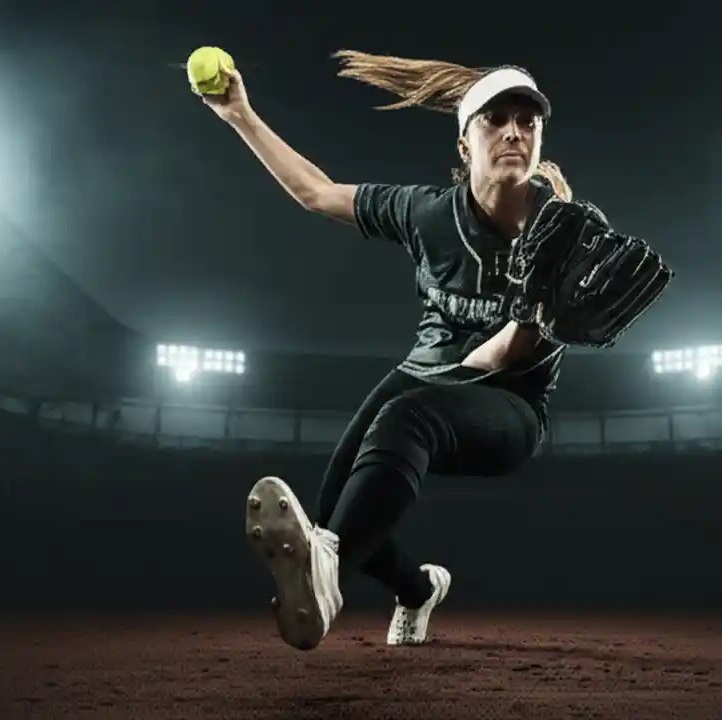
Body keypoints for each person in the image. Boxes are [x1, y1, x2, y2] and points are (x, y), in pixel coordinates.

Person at [201, 50, 578, 651]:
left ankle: (327, 585)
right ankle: (417, 589)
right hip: (424, 374)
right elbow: (317, 193)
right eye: (495, 119)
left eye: (527, 122)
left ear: (539, 139)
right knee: (334, 516)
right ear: (464, 144)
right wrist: (239, 115)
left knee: (403, 425)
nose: (513, 131)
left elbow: (508, 353)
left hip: (509, 402)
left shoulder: (567, 232)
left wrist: (535, 306)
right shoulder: (427, 213)